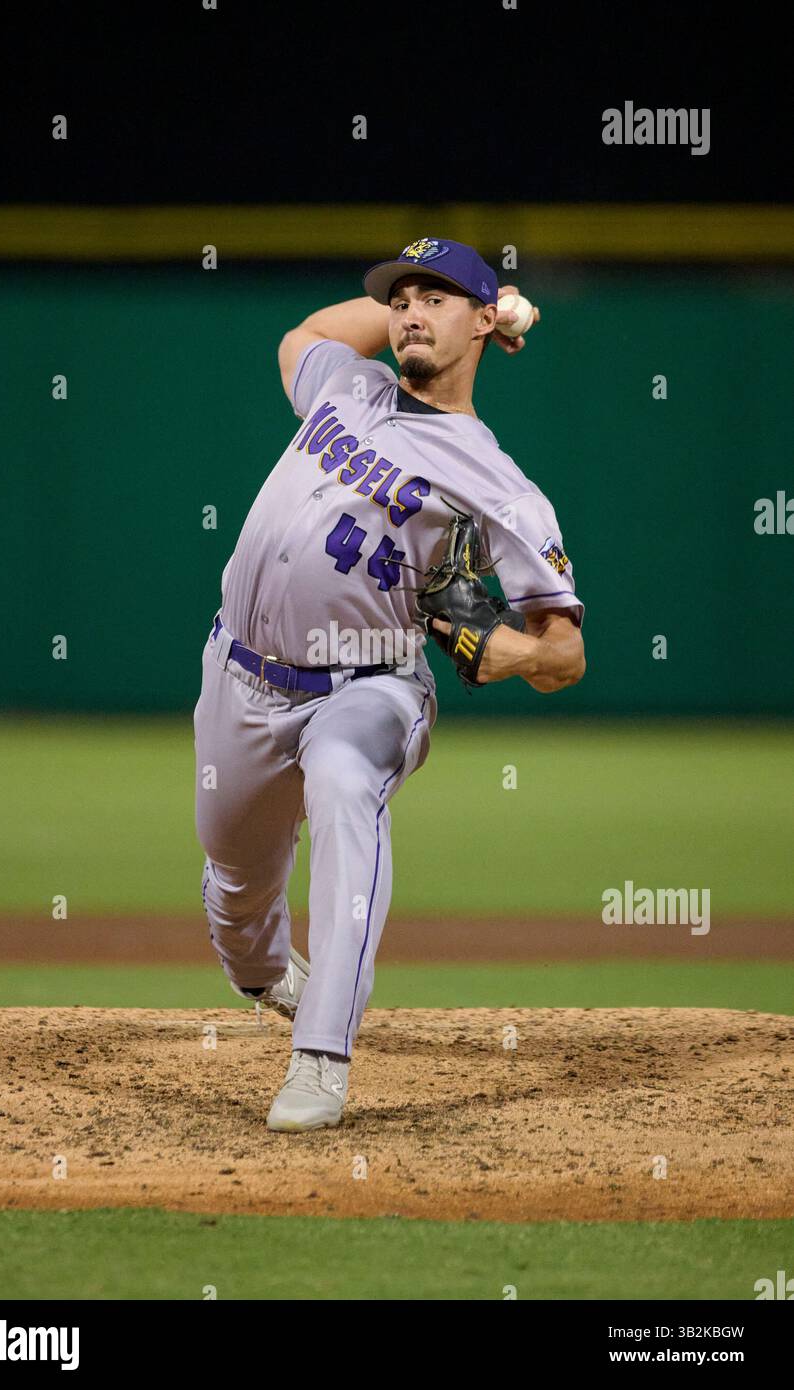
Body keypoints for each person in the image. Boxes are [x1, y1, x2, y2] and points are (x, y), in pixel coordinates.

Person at [194, 236, 586, 1131]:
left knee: (341, 787)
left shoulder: (500, 485)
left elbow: (563, 654)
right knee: (234, 880)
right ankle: (262, 972)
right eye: (401, 297)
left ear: (483, 323)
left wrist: (510, 653)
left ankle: (322, 1058)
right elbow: (307, 330)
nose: (410, 310)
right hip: (240, 679)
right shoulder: (345, 386)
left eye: (437, 298)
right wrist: (455, 307)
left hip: (370, 684)